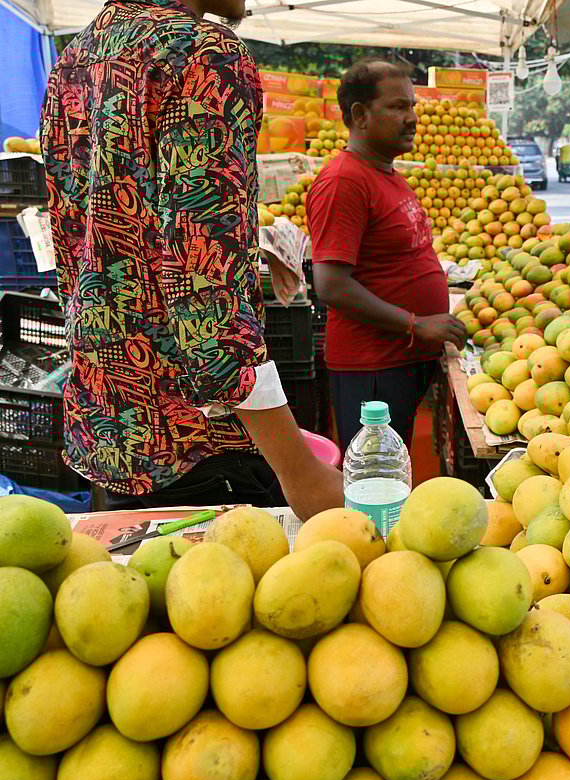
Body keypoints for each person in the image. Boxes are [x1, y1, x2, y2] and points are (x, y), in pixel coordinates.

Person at [40, 0, 343, 518]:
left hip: (111, 436)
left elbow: (81, 237)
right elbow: (206, 292)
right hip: (198, 444)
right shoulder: (203, 52)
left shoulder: (77, 56)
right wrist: (299, 470)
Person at [306, 59, 468, 452]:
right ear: (360, 115)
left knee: (396, 471)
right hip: (372, 368)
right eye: (398, 107)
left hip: (400, 360)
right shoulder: (345, 180)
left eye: (412, 106)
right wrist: (415, 324)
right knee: (376, 481)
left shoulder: (385, 173)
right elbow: (330, 284)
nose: (412, 117)